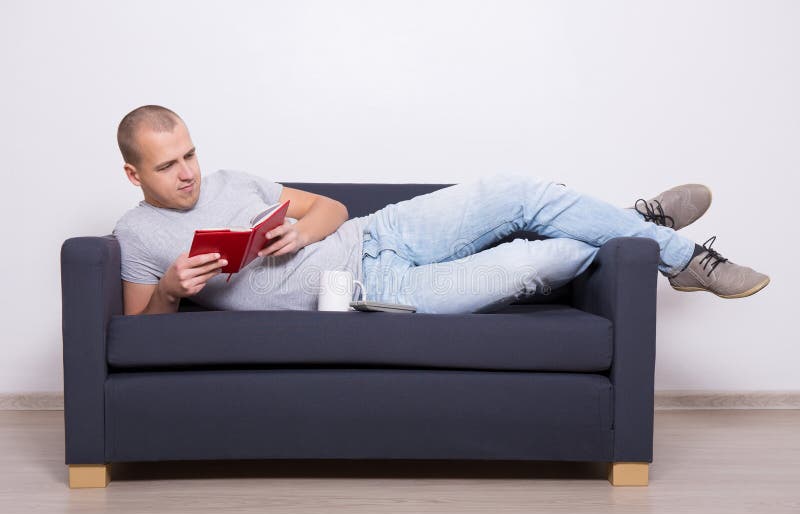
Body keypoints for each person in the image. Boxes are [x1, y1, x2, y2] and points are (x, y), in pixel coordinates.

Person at [113, 105, 769, 316]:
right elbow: (135, 331)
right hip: (375, 290)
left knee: (513, 185)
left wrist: (293, 232)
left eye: (190, 154)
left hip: (383, 230)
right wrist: (171, 289)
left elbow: (332, 208)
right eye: (168, 165)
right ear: (133, 172)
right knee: (558, 256)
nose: (189, 172)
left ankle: (681, 256)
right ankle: (637, 221)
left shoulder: (236, 180)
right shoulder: (136, 234)